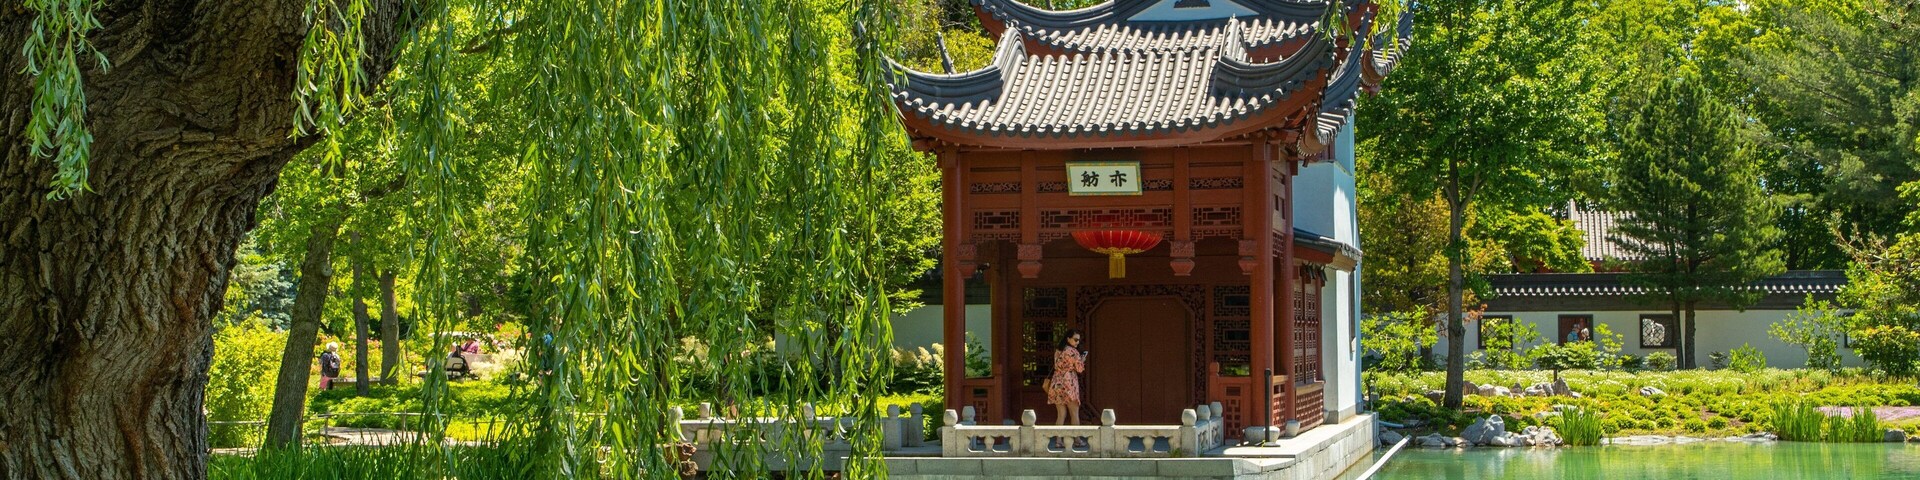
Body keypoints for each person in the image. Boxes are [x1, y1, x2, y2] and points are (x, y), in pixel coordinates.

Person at [1046, 329, 1088, 426]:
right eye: (1075, 339)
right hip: (1069, 383)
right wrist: (1082, 360)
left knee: (1061, 415)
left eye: (1079, 340)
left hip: (1057, 383)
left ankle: (1057, 436)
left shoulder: (1058, 351)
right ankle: (1076, 436)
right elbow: (1079, 369)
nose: (1077, 342)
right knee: (1074, 414)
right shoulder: (1073, 351)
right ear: (1068, 339)